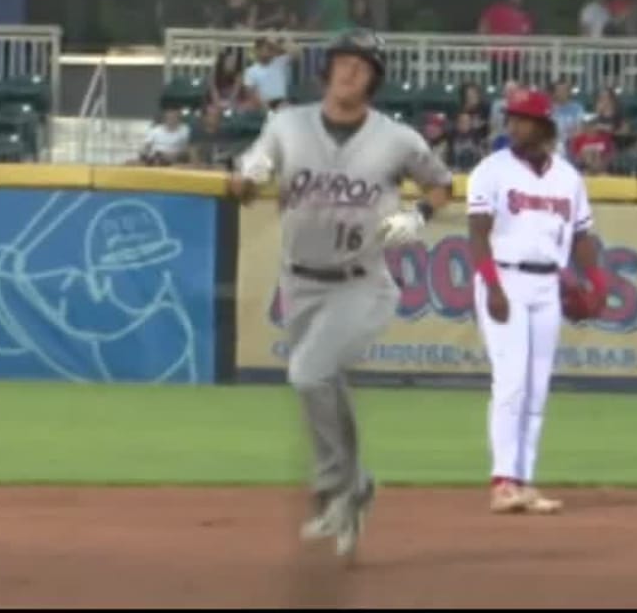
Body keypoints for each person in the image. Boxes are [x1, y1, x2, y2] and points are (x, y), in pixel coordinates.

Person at [228, 28, 454, 560]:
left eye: (363, 64)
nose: (351, 70)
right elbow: (249, 178)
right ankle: (357, 486)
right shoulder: (286, 124)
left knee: (309, 373)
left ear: (374, 79)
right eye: (344, 61)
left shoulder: (396, 138)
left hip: (363, 282)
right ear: (326, 69)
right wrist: (247, 178)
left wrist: (419, 214)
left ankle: (336, 485)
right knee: (324, 379)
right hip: (299, 281)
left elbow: (441, 183)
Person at [466, 88, 609, 515]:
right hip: (505, 278)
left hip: (548, 285)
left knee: (536, 387)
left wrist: (597, 282)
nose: (513, 126)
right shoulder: (491, 170)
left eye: (523, 119)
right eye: (511, 119)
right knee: (510, 382)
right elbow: (477, 234)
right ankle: (502, 481)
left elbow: (581, 236)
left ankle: (523, 480)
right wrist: (492, 286)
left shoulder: (567, 177)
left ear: (544, 126)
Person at [243, 35, 300, 111]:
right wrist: (265, 107)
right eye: (267, 48)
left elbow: (297, 53)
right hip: (263, 108)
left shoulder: (280, 62)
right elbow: (250, 92)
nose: (270, 51)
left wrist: (281, 41)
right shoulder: (251, 71)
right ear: (257, 50)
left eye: (271, 48)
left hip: (282, 105)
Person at [205, 48, 248, 113]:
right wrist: (219, 103)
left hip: (233, 104)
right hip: (215, 104)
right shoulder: (214, 74)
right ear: (223, 60)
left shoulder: (238, 76)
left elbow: (234, 95)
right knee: (211, 110)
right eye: (229, 60)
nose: (232, 63)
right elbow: (214, 94)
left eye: (234, 61)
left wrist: (228, 104)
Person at [550, 79, 586, 154]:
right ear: (554, 93)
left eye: (565, 90)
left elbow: (580, 129)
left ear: (569, 92)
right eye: (559, 90)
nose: (562, 93)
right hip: (554, 144)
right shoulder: (549, 108)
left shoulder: (577, 108)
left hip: (571, 143)